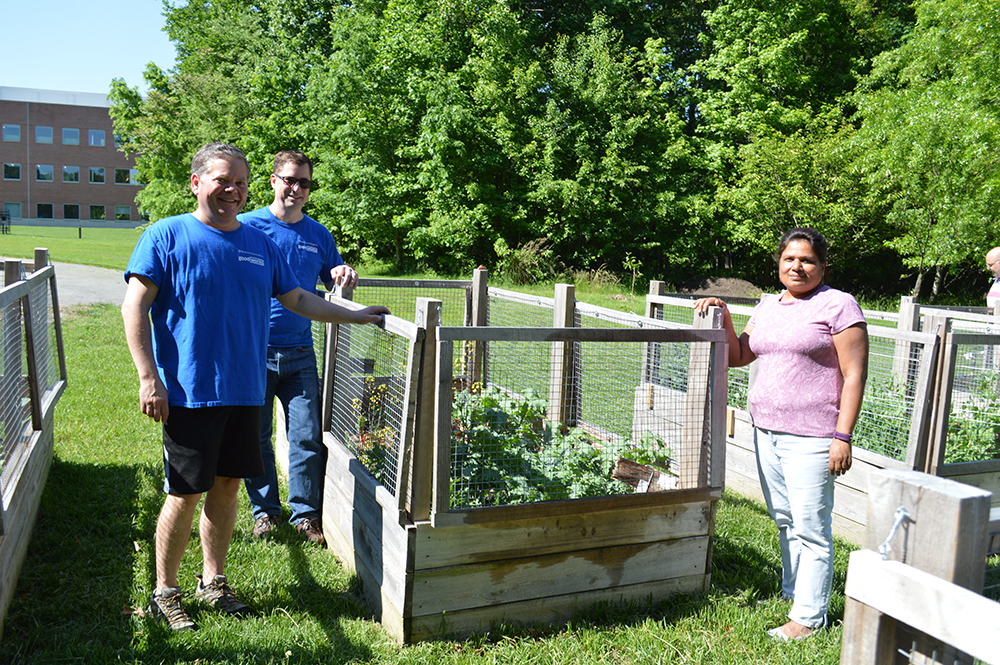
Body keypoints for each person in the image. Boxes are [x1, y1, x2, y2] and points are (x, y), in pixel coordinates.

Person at [122, 143, 389, 632]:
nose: (233, 190)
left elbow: (301, 299)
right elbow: (133, 306)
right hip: (190, 391)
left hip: (246, 388)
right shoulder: (167, 235)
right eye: (223, 180)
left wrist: (356, 312)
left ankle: (214, 581)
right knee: (185, 493)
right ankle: (165, 591)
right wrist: (148, 377)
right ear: (197, 182)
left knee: (227, 487)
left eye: (240, 182)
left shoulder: (257, 243)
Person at [694, 227, 868, 641]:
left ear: (822, 266)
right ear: (779, 263)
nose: (798, 266)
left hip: (813, 436)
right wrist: (723, 312)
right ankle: (794, 593)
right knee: (785, 520)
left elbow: (855, 374)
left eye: (807, 260)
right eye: (790, 259)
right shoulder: (768, 304)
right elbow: (739, 355)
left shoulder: (838, 305)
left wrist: (842, 436)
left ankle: (809, 618)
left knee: (811, 526)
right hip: (766, 431)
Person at [239, 150, 356, 545]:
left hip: (301, 353)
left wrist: (343, 276)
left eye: (304, 182)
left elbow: (333, 287)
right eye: (289, 179)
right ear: (273, 180)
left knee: (306, 435)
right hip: (253, 351)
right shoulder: (247, 226)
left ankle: (305, 515)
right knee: (256, 436)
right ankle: (265, 512)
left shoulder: (319, 235)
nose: (296, 188)